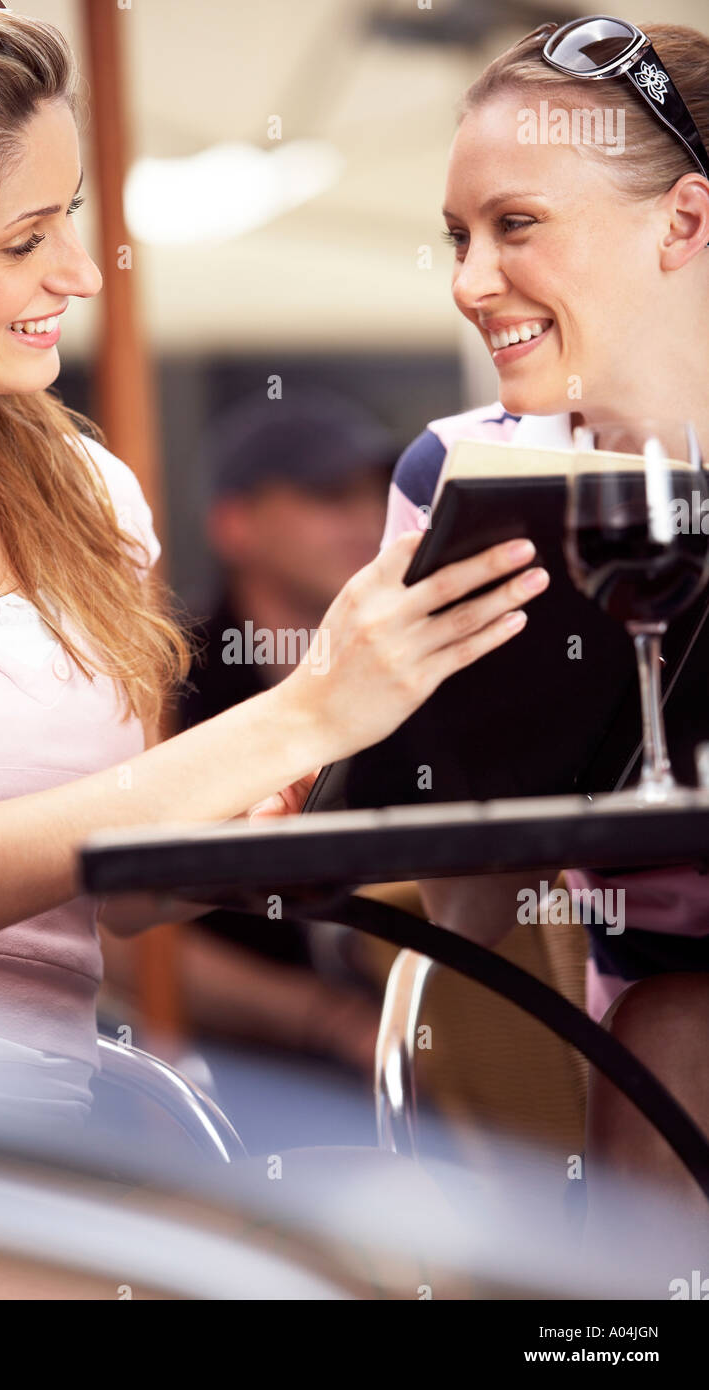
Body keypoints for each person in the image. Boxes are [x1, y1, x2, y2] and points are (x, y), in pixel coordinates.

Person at [0, 3, 547, 1290]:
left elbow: (111, 890)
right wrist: (308, 710)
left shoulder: (90, 495)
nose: (80, 272)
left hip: (74, 1143)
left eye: (70, 213)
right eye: (25, 237)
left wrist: (262, 837)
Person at [373, 18, 709, 1240]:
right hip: (644, 1024)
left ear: (681, 222)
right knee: (679, 1023)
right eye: (458, 239)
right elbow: (455, 863)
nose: (468, 282)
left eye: (514, 227)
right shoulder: (459, 476)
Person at [174, 388, 396, 1081]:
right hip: (240, 1087)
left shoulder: (418, 672)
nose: (367, 520)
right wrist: (329, 1022)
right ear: (235, 524)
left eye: (377, 494)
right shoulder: (163, 688)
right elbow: (125, 936)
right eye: (328, 495)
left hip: (427, 1059)